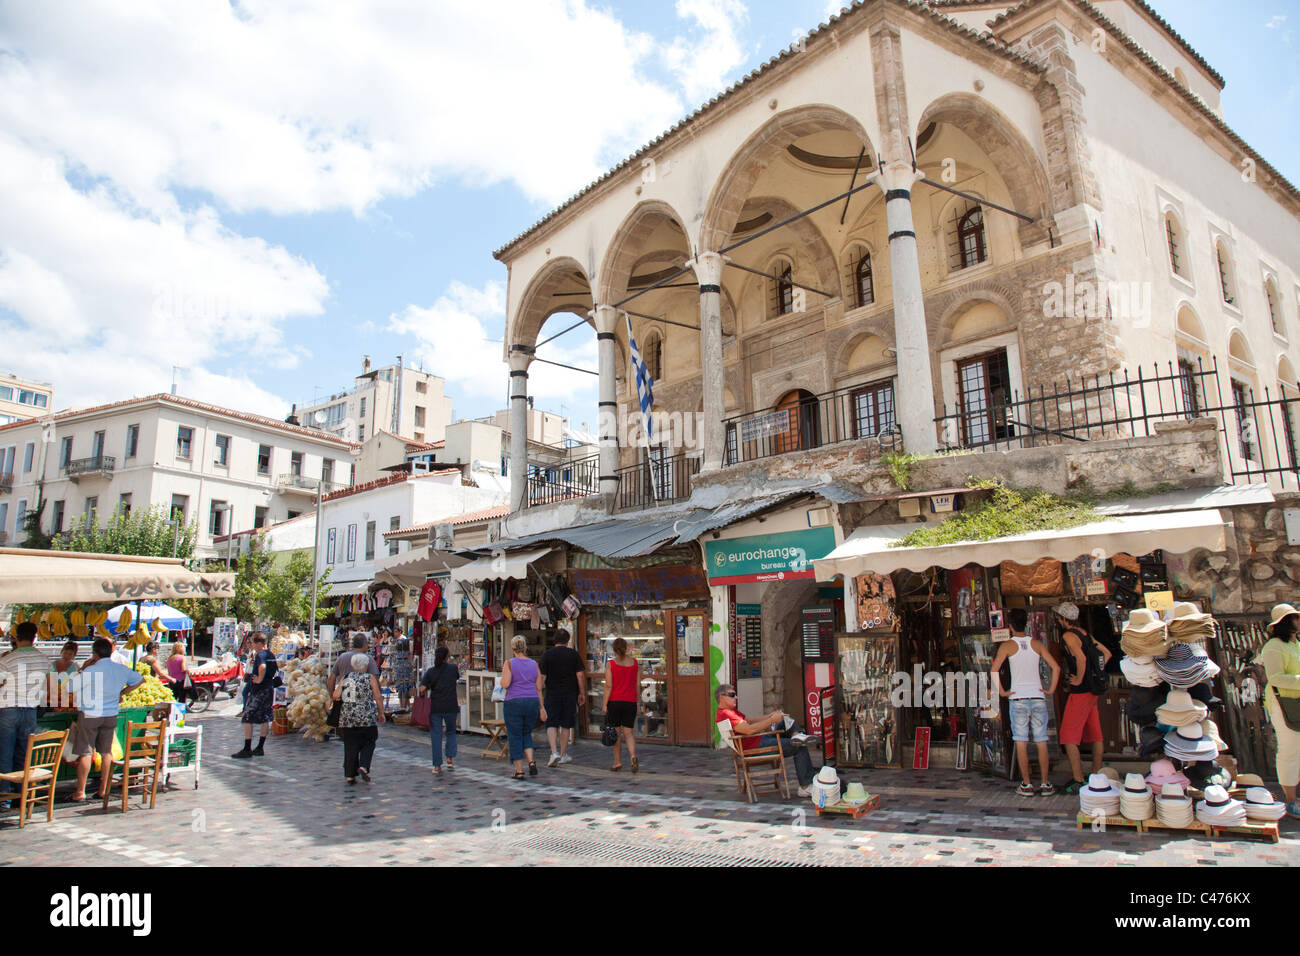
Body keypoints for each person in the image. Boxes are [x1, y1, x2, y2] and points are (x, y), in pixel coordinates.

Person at [990, 607, 1060, 796]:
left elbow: (994, 670)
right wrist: (1051, 689)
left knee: (1020, 741)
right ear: (1026, 624)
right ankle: (1045, 784)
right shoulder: (1036, 644)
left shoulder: (1007, 646)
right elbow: (1055, 666)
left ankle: (1027, 784)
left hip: (1018, 697)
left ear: (1010, 626)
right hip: (1037, 696)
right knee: (1041, 740)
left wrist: (1003, 691)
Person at [67, 637, 143, 802]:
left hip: (90, 714)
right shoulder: (120, 669)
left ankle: (80, 792)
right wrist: (122, 693)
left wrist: (83, 670)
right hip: (110, 714)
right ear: (111, 651)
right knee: (106, 751)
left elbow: (69, 687)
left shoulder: (91, 670)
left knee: (85, 751)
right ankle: (103, 789)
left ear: (95, 654)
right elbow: (139, 680)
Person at [714, 683, 817, 796]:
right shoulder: (725, 714)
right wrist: (771, 720)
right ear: (721, 698)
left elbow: (749, 721)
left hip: (758, 740)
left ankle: (798, 735)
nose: (736, 697)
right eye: (732, 695)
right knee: (799, 746)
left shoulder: (731, 711)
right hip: (754, 747)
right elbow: (749, 730)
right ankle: (805, 786)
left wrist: (769, 716)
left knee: (784, 722)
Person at [1054, 602, 1111, 795]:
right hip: (1093, 691)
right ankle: (1096, 774)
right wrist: (1097, 673)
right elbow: (1106, 654)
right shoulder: (1085, 634)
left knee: (1068, 736)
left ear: (1063, 619)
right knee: (1095, 734)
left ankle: (1078, 778)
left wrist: (1079, 677)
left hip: (1080, 692)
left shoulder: (1068, 635)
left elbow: (1081, 658)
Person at [1256, 603, 1300, 817]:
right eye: (1295, 617)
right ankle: (1291, 800)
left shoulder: (1296, 644)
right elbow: (1275, 678)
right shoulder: (1274, 646)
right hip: (1284, 705)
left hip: (1297, 703)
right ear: (1286, 622)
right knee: (1289, 750)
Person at [0, 621, 49, 800]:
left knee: (5, 754)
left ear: (16, 637)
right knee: (23, 754)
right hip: (30, 712)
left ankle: (5, 799)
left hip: (8, 710)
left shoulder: (7, 659)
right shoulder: (44, 659)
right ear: (34, 637)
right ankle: (21, 796)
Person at [500, 635, 546, 779]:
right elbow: (539, 687)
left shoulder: (509, 663)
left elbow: (506, 684)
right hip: (532, 701)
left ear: (513, 648)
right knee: (526, 732)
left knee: (515, 735)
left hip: (514, 701)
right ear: (525, 648)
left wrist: (501, 681)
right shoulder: (534, 664)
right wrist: (542, 707)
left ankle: (519, 770)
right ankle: (531, 762)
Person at [334, 652, 383, 784]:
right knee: (370, 740)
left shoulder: (346, 677)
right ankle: (364, 765)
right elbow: (378, 697)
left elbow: (336, 694)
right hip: (366, 717)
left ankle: (350, 774)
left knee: (350, 744)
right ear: (366, 665)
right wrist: (381, 712)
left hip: (348, 717)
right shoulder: (370, 678)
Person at [540, 628, 586, 767]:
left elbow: (542, 678)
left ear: (555, 640)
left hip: (552, 693)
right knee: (566, 724)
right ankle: (563, 753)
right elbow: (580, 675)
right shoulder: (573, 654)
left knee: (551, 723)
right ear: (568, 640)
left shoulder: (547, 655)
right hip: (569, 693)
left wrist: (539, 693)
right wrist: (582, 692)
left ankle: (554, 752)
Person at [327, 633, 381, 741]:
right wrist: (379, 703)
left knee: (349, 739)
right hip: (364, 705)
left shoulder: (342, 657)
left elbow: (331, 678)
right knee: (366, 739)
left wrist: (332, 696)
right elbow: (375, 680)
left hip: (345, 702)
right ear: (364, 645)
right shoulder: (368, 659)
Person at [231, 634, 277, 759]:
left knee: (247, 717)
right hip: (269, 688)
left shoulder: (260, 655)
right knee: (265, 718)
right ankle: (260, 747)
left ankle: (247, 748)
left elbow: (262, 667)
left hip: (259, 690)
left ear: (258, 643)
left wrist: (259, 679)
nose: (251, 645)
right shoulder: (271, 655)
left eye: (251, 642)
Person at [601, 637, 640, 773]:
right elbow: (637, 685)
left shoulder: (611, 664)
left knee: (615, 733)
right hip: (630, 702)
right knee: (629, 733)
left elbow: (608, 685)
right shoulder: (634, 663)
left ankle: (617, 762)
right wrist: (637, 701)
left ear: (614, 649)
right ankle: (633, 756)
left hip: (615, 702)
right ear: (626, 647)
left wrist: (605, 704)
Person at [420, 645, 460, 775]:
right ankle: (449, 757)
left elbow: (422, 688)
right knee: (451, 732)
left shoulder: (431, 672)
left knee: (436, 735)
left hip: (436, 706)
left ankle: (437, 765)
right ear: (447, 657)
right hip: (451, 705)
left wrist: (428, 688)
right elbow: (456, 678)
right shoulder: (453, 669)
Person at [48, 640, 79, 709]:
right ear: (61, 652)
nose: (66, 656)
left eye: (70, 654)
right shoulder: (51, 665)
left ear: (74, 656)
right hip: (51, 699)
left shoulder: (75, 668)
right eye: (65, 653)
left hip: (67, 701)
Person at [391, 637, 414, 712]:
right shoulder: (408, 653)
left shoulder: (397, 654)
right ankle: (406, 705)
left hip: (399, 673)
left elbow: (394, 663)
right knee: (407, 688)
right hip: (407, 673)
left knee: (401, 689)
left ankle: (402, 706)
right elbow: (411, 662)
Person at [164, 641, 190, 706]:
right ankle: (180, 714)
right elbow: (183, 669)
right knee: (181, 699)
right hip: (181, 681)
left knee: (173, 699)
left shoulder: (170, 658)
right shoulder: (182, 657)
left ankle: (172, 713)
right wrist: (188, 671)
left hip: (172, 681)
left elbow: (169, 671)